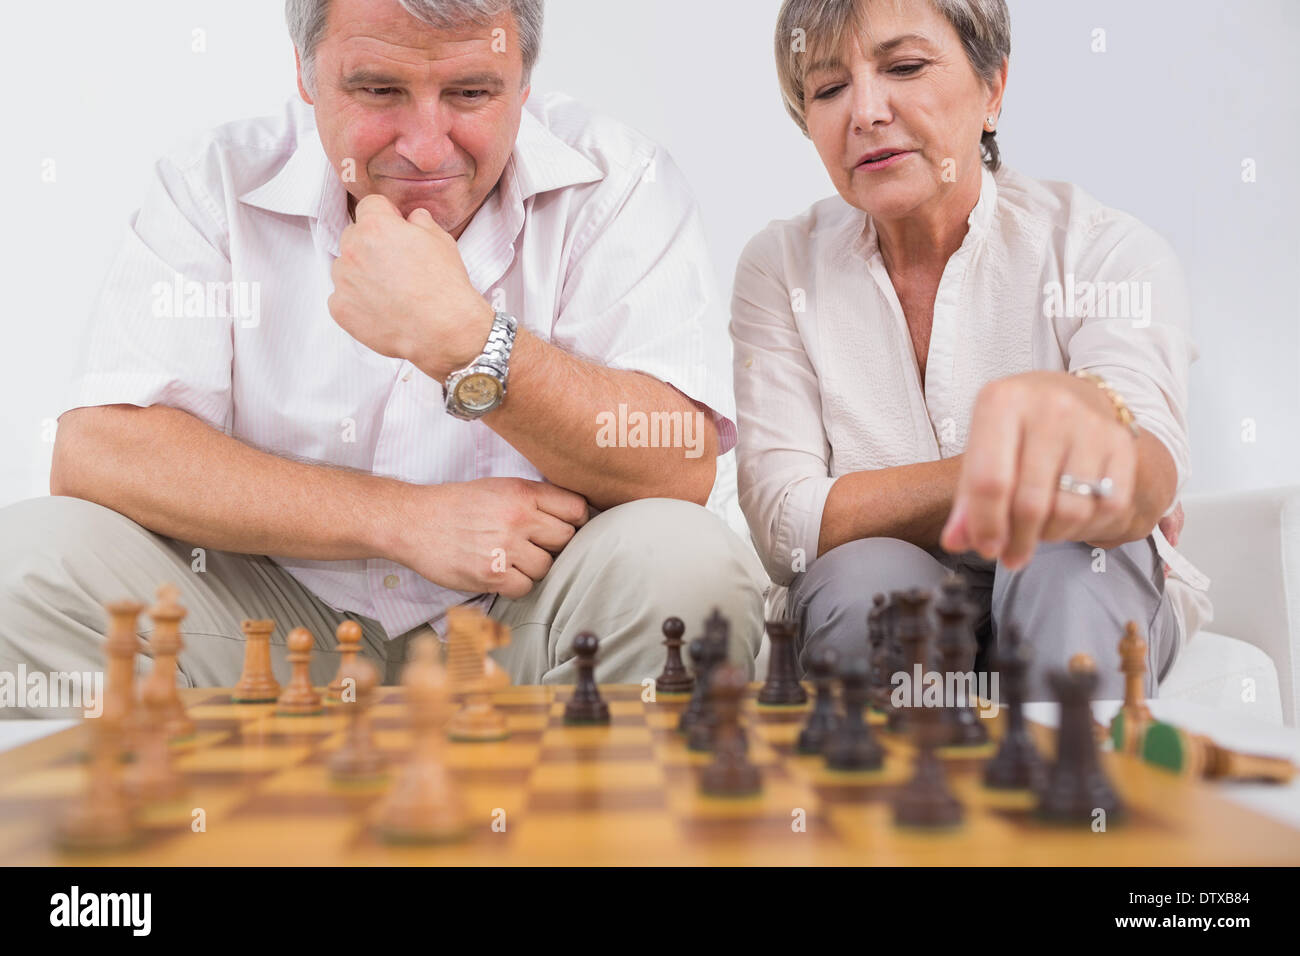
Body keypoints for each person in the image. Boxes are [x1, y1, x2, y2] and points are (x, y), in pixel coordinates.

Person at [0, 0, 764, 717]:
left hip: (528, 626)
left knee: (684, 563)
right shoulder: (213, 186)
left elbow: (677, 461)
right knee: (24, 566)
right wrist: (400, 520)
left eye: (470, 92)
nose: (426, 146)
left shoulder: (620, 181)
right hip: (266, 626)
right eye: (378, 89)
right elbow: (99, 452)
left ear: (525, 81)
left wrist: (469, 342)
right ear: (305, 73)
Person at [731, 0, 1205, 700]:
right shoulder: (780, 267)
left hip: (1075, 583)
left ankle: (1069, 799)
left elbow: (1140, 480)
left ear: (994, 88)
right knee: (869, 584)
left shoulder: (1105, 250)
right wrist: (1006, 466)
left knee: (1068, 554)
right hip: (884, 603)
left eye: (905, 67)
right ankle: (889, 806)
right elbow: (786, 524)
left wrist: (1116, 480)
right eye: (828, 88)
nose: (864, 112)